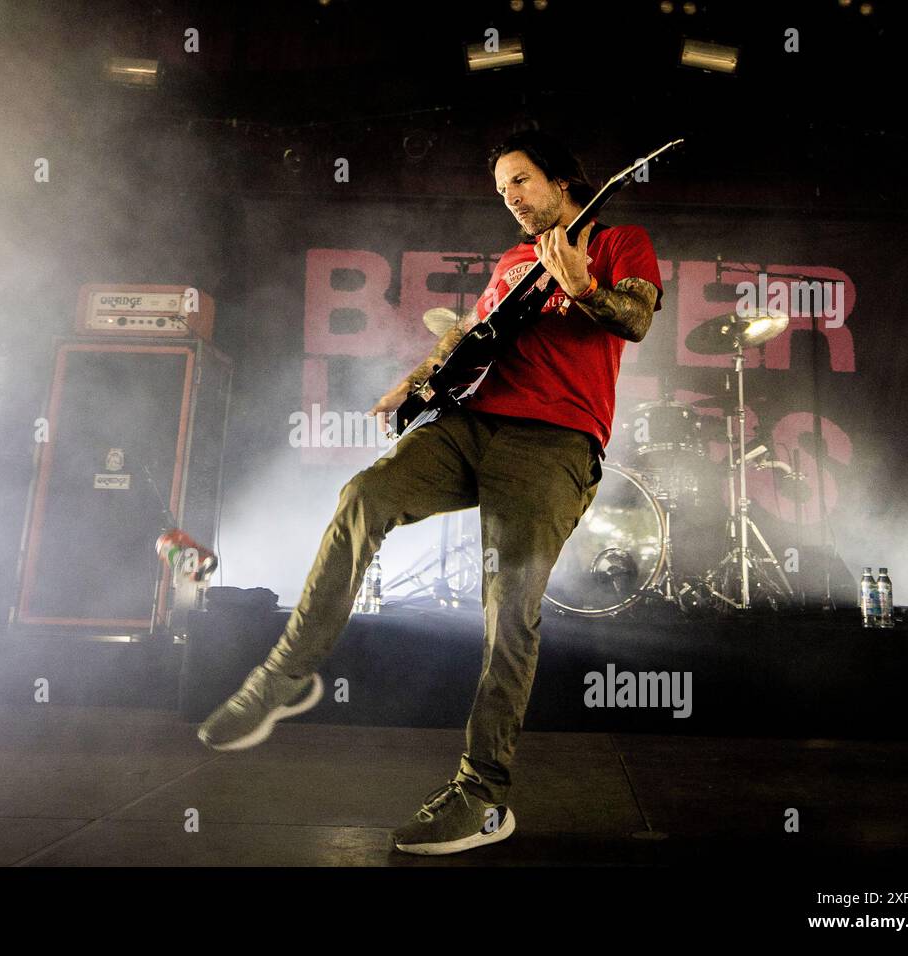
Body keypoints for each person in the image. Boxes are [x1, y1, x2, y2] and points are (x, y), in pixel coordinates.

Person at [198, 128, 663, 855]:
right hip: (471, 426)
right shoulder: (512, 262)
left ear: (564, 180)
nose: (511, 197)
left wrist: (583, 287)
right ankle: (287, 674)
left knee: (509, 608)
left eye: (522, 181)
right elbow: (472, 338)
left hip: (556, 440)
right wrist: (416, 381)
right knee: (364, 494)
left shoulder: (615, 240)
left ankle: (483, 795)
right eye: (502, 187)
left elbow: (634, 316)